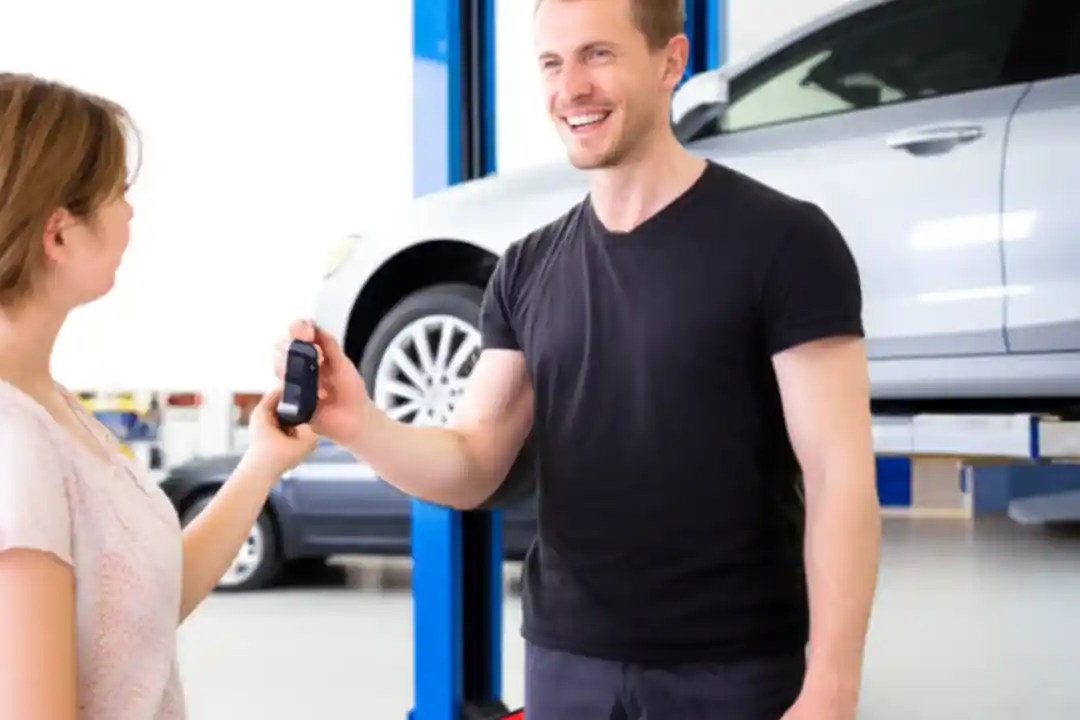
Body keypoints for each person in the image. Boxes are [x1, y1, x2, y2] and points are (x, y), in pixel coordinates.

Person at [277, 0, 881, 717]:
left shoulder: (784, 242)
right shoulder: (527, 268)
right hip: (568, 663)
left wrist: (832, 686)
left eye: (598, 54)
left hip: (733, 665)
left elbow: (839, 474)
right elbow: (473, 464)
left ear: (670, 61)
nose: (572, 89)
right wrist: (357, 423)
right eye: (552, 63)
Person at [0, 73, 317, 719]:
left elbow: (137, 609)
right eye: (116, 192)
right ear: (59, 234)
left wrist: (262, 462)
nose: (129, 213)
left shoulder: (28, 399)